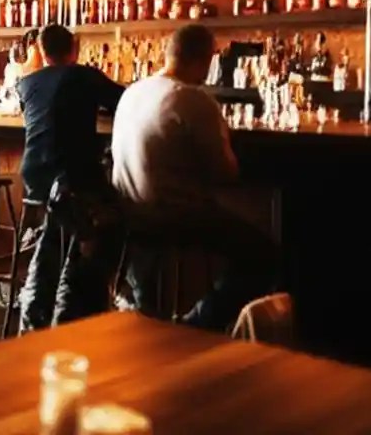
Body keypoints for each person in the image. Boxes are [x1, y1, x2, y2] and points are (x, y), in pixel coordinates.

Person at [110, 24, 276, 331]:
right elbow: (225, 172)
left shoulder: (133, 91)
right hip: (174, 217)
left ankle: (148, 312)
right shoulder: (193, 100)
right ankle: (197, 326)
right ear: (204, 60)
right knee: (263, 255)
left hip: (128, 214)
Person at [16, 25, 124, 331]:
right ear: (74, 48)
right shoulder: (83, 75)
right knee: (116, 218)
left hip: (35, 176)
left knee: (57, 232)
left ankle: (37, 316)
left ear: (40, 50)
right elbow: (124, 101)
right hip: (71, 178)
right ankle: (79, 314)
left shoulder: (26, 83)